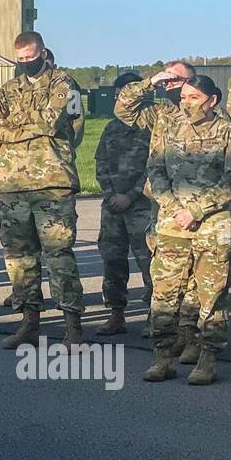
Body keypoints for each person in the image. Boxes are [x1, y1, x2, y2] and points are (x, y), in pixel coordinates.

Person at [142, 78, 231, 384]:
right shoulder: (169, 129)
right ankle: (163, 356)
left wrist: (196, 211)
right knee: (164, 294)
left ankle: (207, 358)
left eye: (193, 97)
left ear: (212, 100)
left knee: (211, 296)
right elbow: (155, 172)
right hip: (172, 225)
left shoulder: (230, 133)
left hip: (213, 226)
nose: (186, 101)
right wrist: (175, 210)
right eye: (183, 96)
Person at [0, 33, 86, 348]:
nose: (26, 62)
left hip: (52, 185)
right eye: (20, 57)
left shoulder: (63, 83)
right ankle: (29, 322)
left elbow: (50, 121)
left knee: (59, 258)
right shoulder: (9, 88)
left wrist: (12, 129)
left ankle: (73, 327)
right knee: (19, 258)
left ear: (42, 53)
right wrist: (20, 128)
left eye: (31, 56)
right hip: (13, 186)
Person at [114, 60, 202, 338]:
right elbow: (123, 108)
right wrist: (150, 83)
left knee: (195, 269)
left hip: (197, 201)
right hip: (163, 201)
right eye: (169, 79)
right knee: (161, 260)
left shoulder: (209, 111)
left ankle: (191, 331)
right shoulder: (161, 112)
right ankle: (162, 320)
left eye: (178, 79)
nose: (172, 84)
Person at [94, 72, 153, 335]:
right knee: (113, 261)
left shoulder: (152, 124)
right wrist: (110, 195)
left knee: (149, 261)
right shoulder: (111, 128)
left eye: (124, 95)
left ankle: (156, 314)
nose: (120, 100)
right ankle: (116, 314)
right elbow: (101, 164)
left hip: (141, 204)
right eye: (117, 95)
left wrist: (131, 195)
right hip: (113, 207)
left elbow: (155, 166)